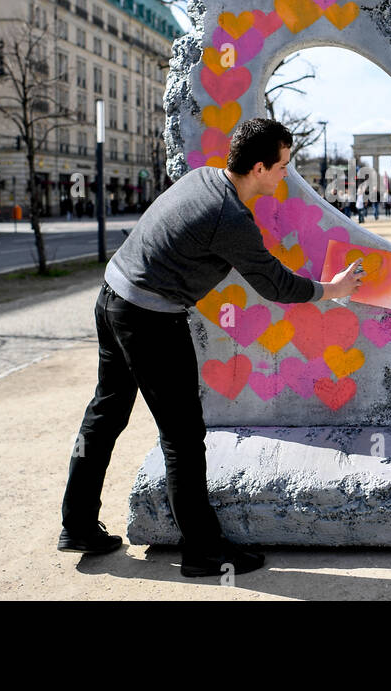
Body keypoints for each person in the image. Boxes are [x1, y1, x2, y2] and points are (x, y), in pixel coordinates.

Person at [59, 118, 366, 576]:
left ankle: (78, 523)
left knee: (106, 413)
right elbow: (274, 284)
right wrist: (331, 290)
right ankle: (202, 551)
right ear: (259, 168)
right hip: (149, 318)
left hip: (112, 297)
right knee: (183, 437)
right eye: (282, 165)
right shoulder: (232, 219)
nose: (286, 173)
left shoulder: (204, 176)